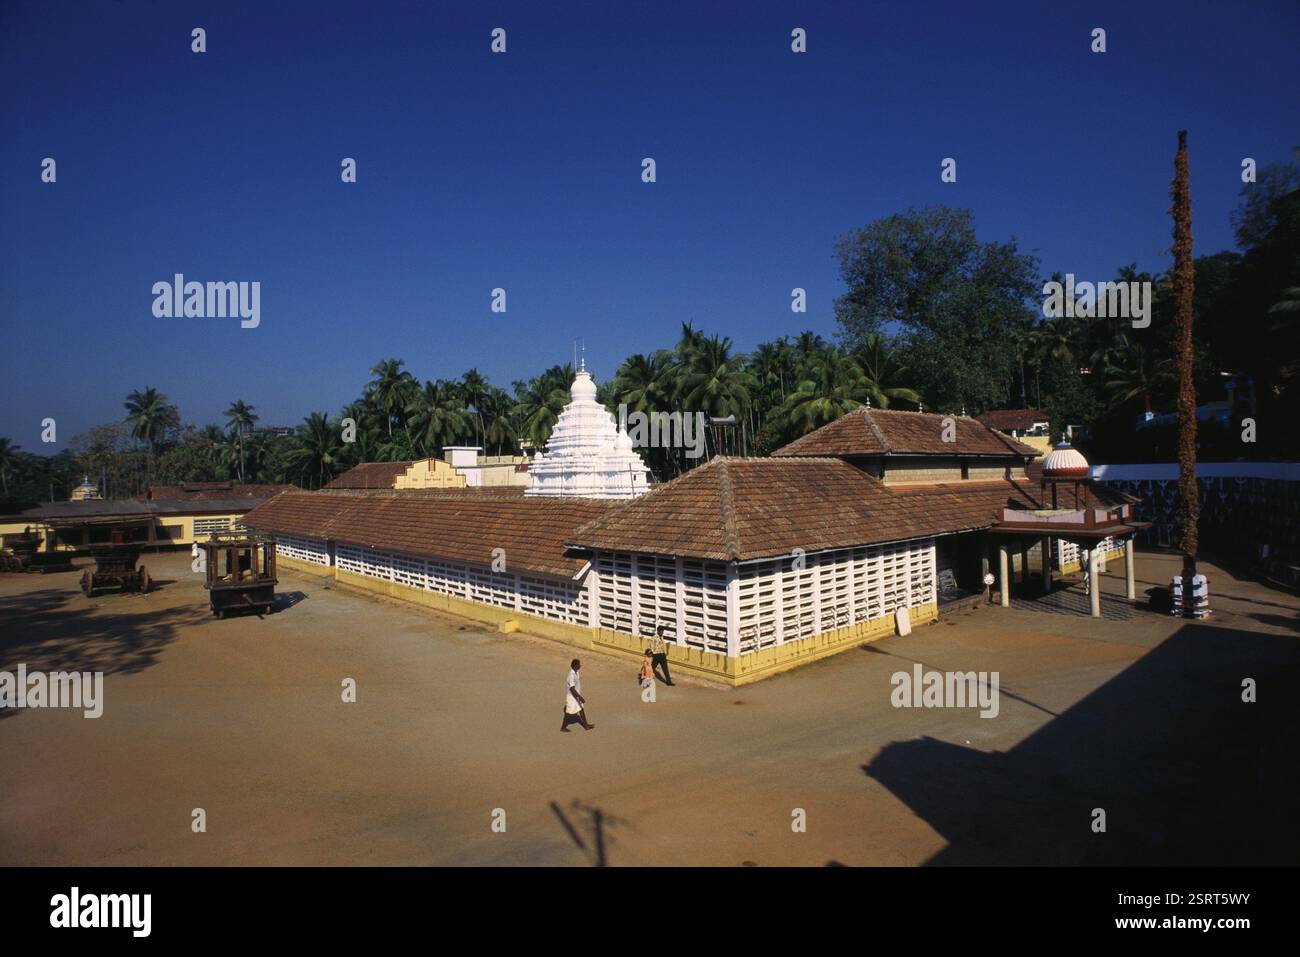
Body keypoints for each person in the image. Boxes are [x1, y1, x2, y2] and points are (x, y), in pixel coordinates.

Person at [561, 658, 595, 732]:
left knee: (581, 710)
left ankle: (586, 726)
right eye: (579, 664)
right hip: (572, 697)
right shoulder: (571, 676)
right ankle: (563, 727)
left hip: (575, 696)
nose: (580, 665)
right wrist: (580, 697)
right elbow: (572, 689)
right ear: (575, 665)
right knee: (568, 713)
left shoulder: (576, 672)